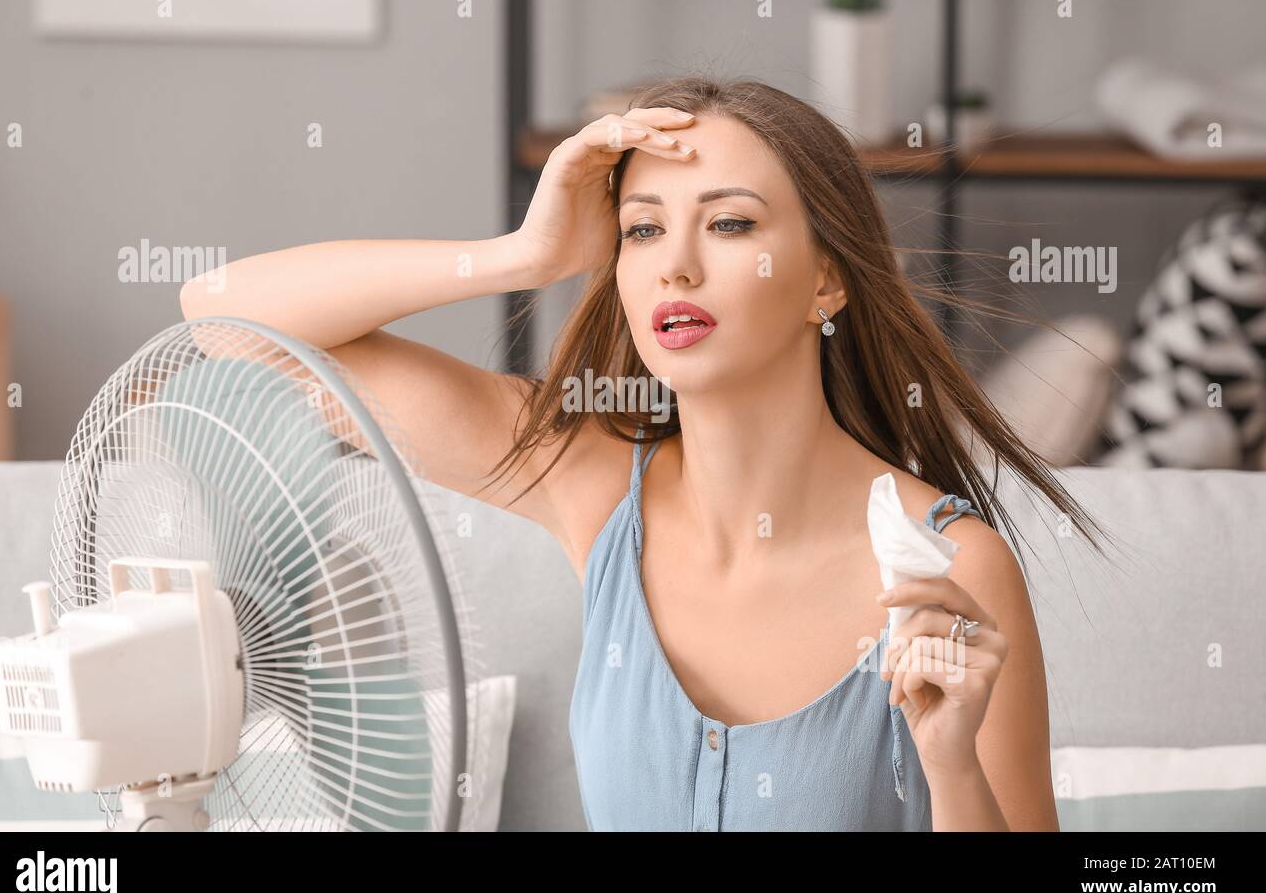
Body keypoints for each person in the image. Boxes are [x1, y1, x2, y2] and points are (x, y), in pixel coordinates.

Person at [181, 74, 1111, 831]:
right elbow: (226, 321)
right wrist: (522, 256)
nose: (676, 264)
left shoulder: (953, 568)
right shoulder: (586, 484)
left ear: (826, 279)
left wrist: (952, 770)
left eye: (731, 222)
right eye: (643, 228)